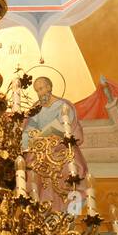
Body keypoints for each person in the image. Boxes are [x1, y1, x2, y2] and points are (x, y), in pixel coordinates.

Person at [21, 76, 86, 210]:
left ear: (49, 87)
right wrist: (29, 136)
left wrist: (44, 135)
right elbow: (29, 128)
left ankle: (69, 205)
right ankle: (45, 206)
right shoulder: (36, 109)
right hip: (41, 151)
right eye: (37, 90)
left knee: (69, 166)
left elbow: (65, 126)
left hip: (61, 147)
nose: (40, 92)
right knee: (34, 171)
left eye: (41, 88)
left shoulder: (62, 105)